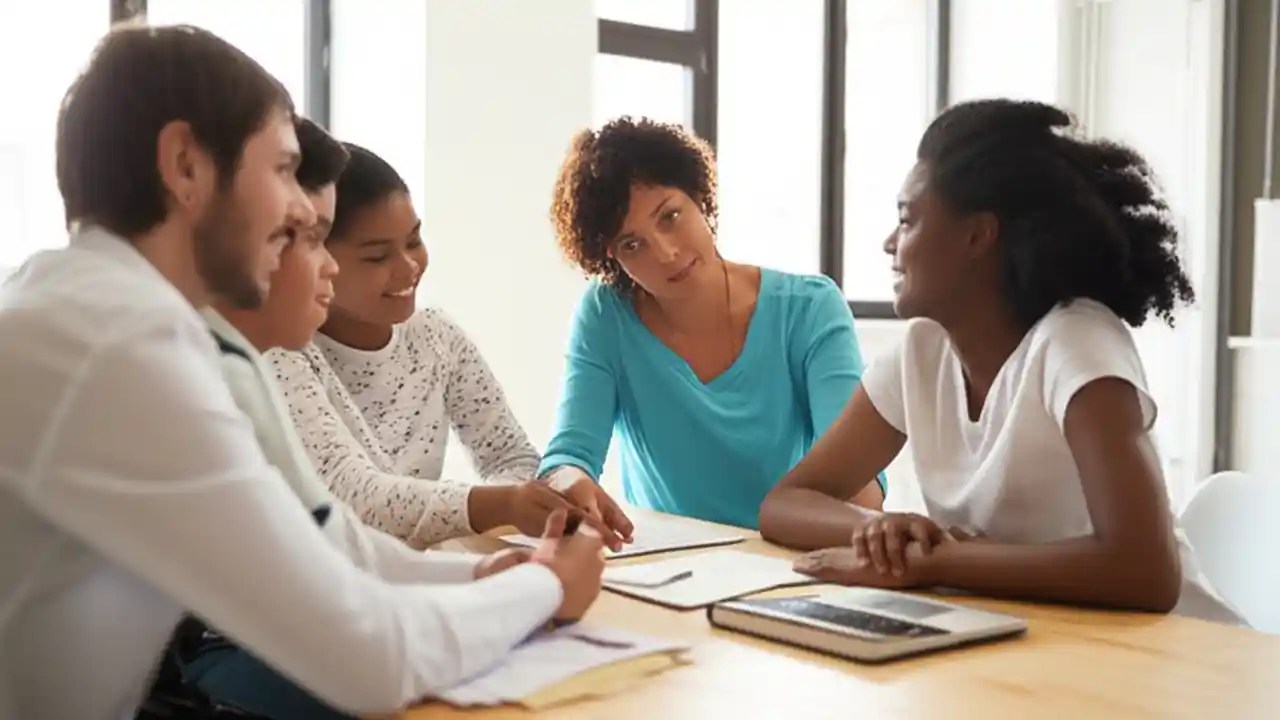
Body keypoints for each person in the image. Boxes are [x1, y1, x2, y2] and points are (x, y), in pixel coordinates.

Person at [0, 26, 604, 720]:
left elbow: (327, 538)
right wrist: (546, 589)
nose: (298, 209)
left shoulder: (95, 308)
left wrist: (487, 572)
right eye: (284, 170)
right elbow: (375, 660)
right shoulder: (119, 347)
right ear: (185, 166)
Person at [758, 99, 1241, 623]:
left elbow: (1145, 572)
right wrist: (884, 534)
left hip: (1179, 659)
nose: (890, 243)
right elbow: (786, 503)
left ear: (977, 236)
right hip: (1046, 643)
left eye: (907, 219)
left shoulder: (1075, 342)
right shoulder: (922, 351)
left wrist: (937, 562)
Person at [267, 143, 631, 549]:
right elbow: (353, 496)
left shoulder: (436, 338)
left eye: (413, 240)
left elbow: (514, 460)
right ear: (316, 256)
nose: (408, 267)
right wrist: (502, 505)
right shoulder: (282, 352)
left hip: (412, 579)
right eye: (377, 256)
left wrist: (548, 491)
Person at [539, 117, 885, 530]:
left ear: (699, 198)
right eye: (632, 244)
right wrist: (569, 483)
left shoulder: (809, 309)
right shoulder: (606, 315)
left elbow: (860, 484)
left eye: (669, 216)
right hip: (669, 574)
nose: (665, 253)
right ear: (611, 258)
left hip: (791, 558)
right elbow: (566, 458)